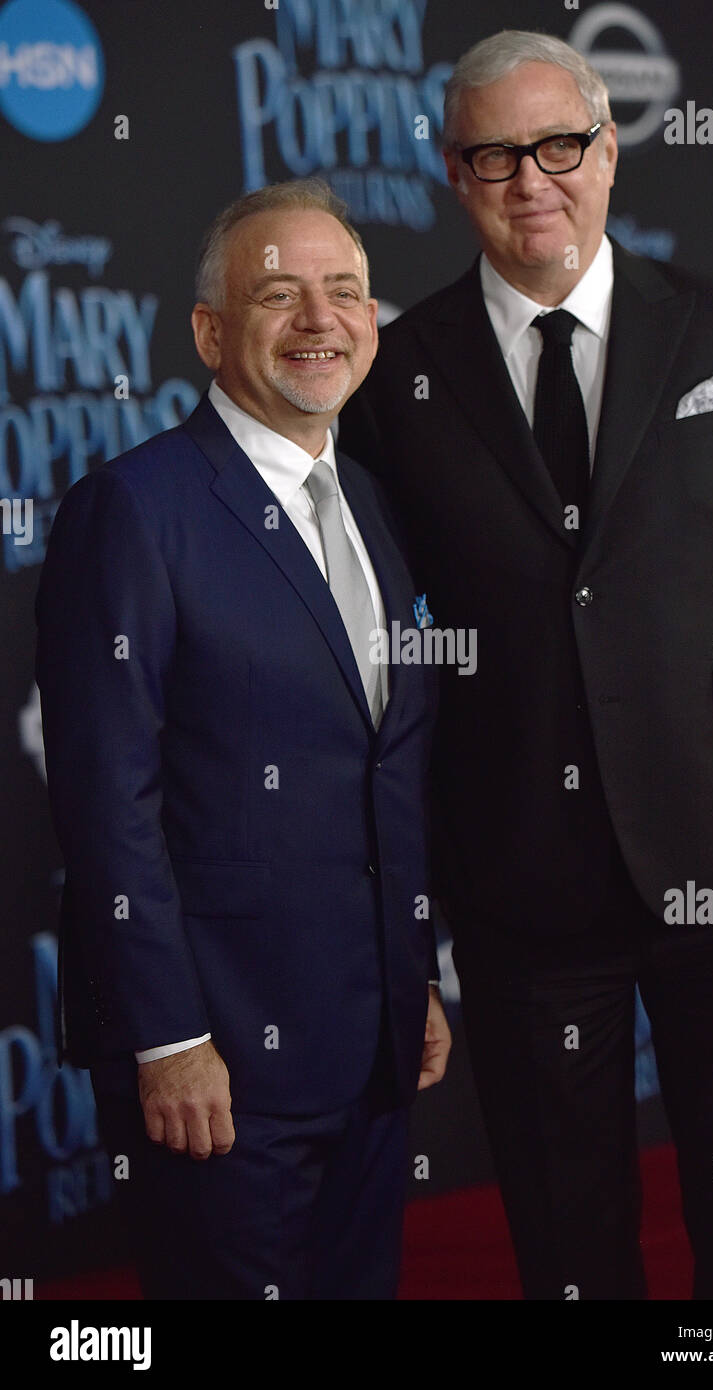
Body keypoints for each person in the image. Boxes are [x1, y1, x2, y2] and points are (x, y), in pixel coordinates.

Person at [339, 30, 713, 1300]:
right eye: (496, 155)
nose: (533, 179)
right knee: (569, 1250)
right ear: (457, 176)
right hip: (523, 887)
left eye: (559, 144)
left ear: (609, 152)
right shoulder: (398, 374)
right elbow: (370, 629)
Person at [35, 179, 450, 1301]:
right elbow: (105, 795)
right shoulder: (134, 508)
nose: (321, 319)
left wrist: (408, 971)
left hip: (367, 1048)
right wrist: (167, 1037)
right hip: (218, 1064)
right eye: (280, 293)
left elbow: (378, 767)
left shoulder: (367, 499)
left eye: (346, 291)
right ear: (212, 331)